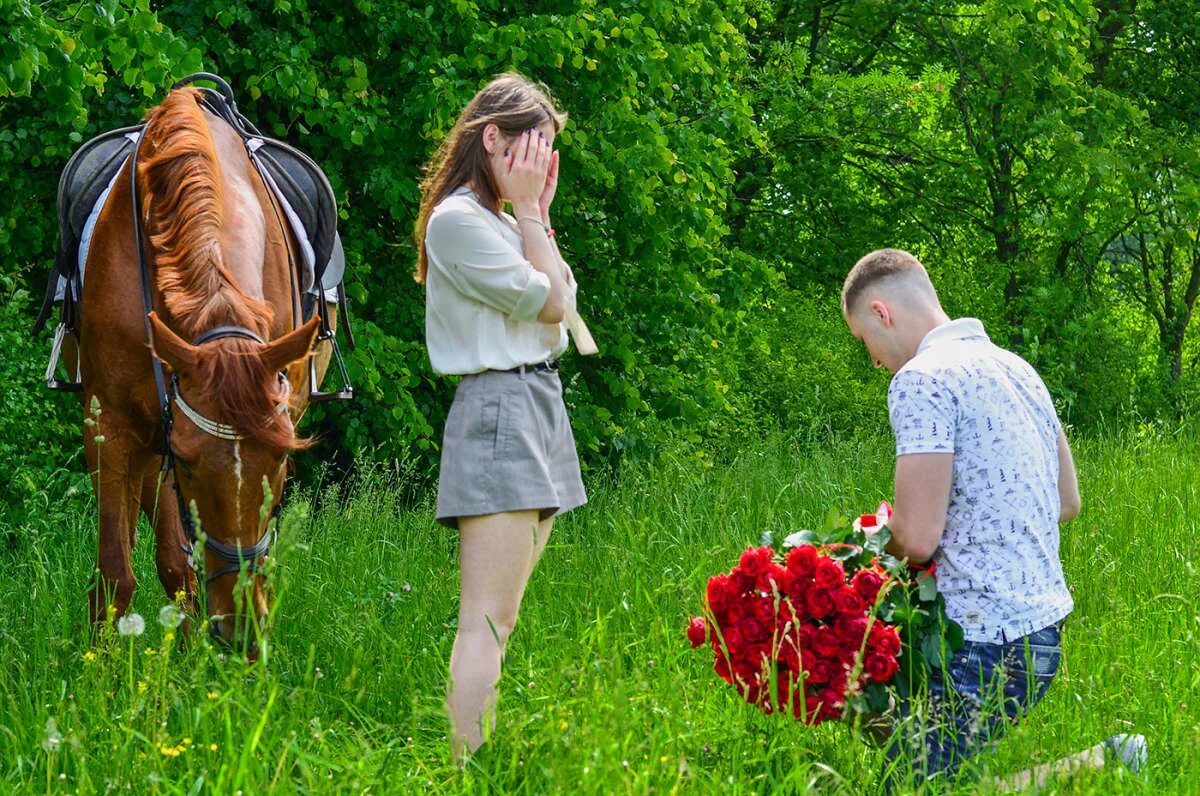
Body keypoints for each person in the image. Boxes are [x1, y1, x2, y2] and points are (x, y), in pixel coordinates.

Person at [841, 249, 1146, 789]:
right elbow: (1067, 502)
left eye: (864, 340)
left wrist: (861, 549)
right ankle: (1109, 759)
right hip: (1041, 635)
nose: (874, 360)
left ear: (881, 313)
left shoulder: (920, 381)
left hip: (981, 644)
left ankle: (1103, 762)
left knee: (912, 789)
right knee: (926, 767)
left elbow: (917, 539)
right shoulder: (1017, 369)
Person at [414, 73, 587, 763]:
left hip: (537, 403)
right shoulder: (456, 221)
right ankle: (467, 766)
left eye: (548, 151)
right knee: (485, 619)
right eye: (532, 147)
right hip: (498, 407)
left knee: (503, 618)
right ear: (492, 138)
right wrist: (530, 215)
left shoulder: (505, 221)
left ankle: (476, 757)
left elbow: (565, 302)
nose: (542, 165)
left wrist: (534, 214)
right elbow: (550, 304)